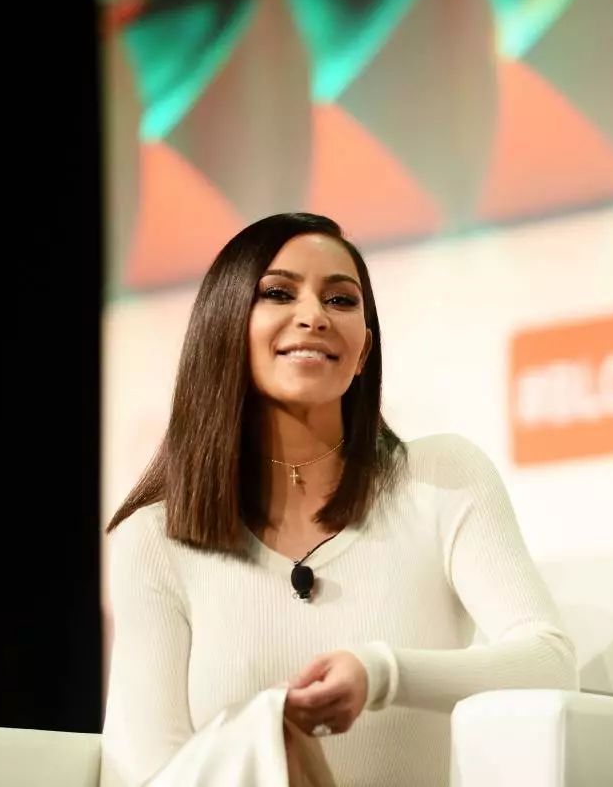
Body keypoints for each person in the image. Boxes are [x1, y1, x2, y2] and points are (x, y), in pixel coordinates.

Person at [99, 212, 578, 787]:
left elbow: (550, 663)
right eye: (278, 293)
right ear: (224, 326)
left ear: (364, 348)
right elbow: (150, 774)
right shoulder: (154, 538)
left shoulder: (444, 477)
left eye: (341, 300)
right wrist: (265, 732)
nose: (313, 316)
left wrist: (379, 673)